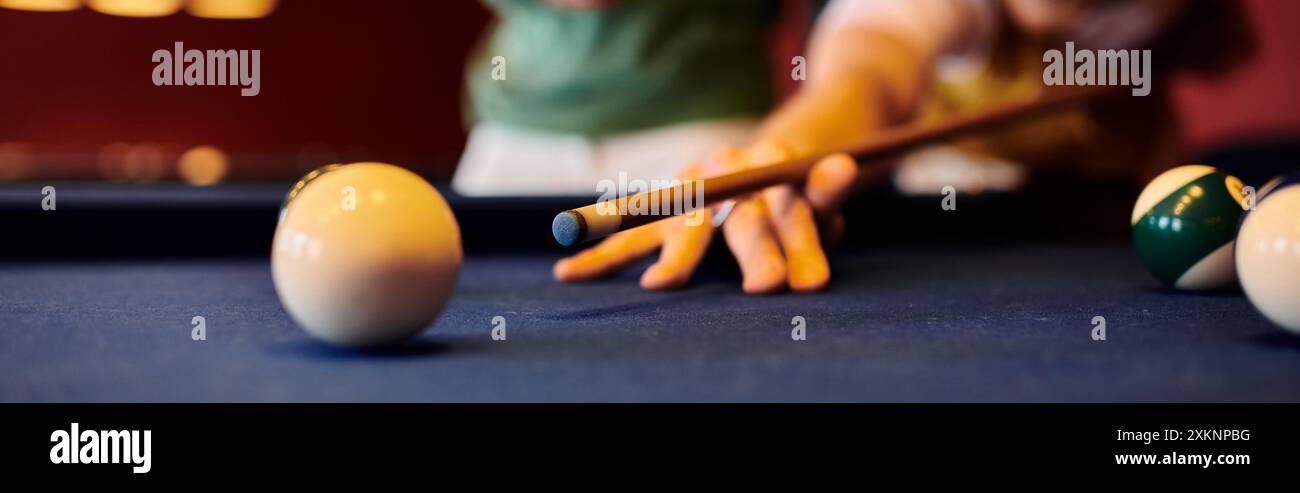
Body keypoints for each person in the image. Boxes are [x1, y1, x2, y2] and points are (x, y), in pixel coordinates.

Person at [552, 0, 1254, 294]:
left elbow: (1224, 45)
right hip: (960, 215)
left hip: (1125, 204)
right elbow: (866, 81)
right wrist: (779, 153)